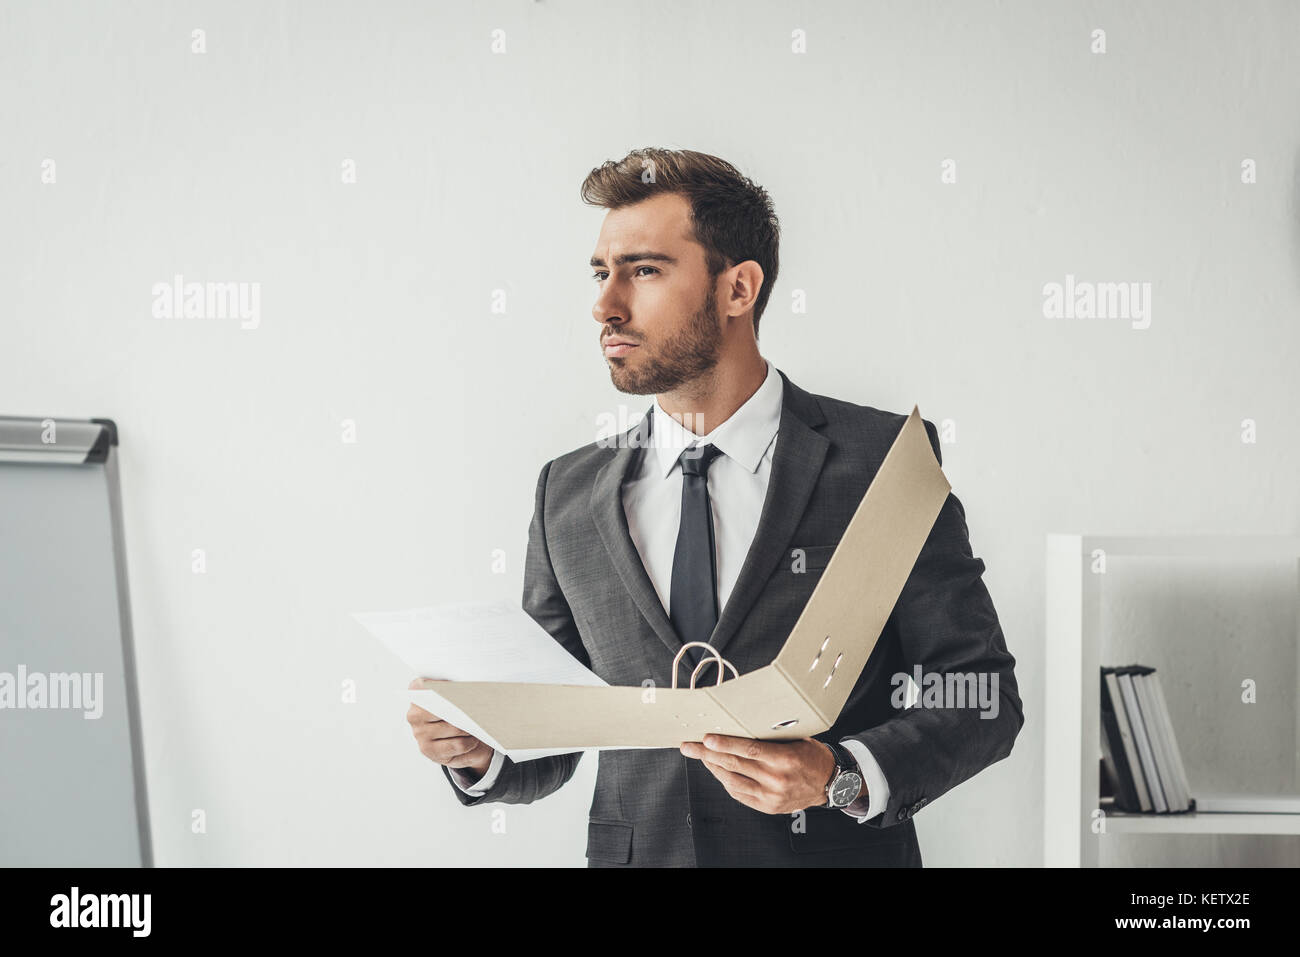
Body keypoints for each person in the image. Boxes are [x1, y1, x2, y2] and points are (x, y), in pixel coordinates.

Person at [407, 147, 1023, 866]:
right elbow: (556, 731)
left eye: (643, 270)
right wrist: (482, 750)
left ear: (739, 289)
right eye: (601, 273)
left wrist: (840, 774)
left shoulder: (882, 460)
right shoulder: (566, 495)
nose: (606, 304)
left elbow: (981, 697)